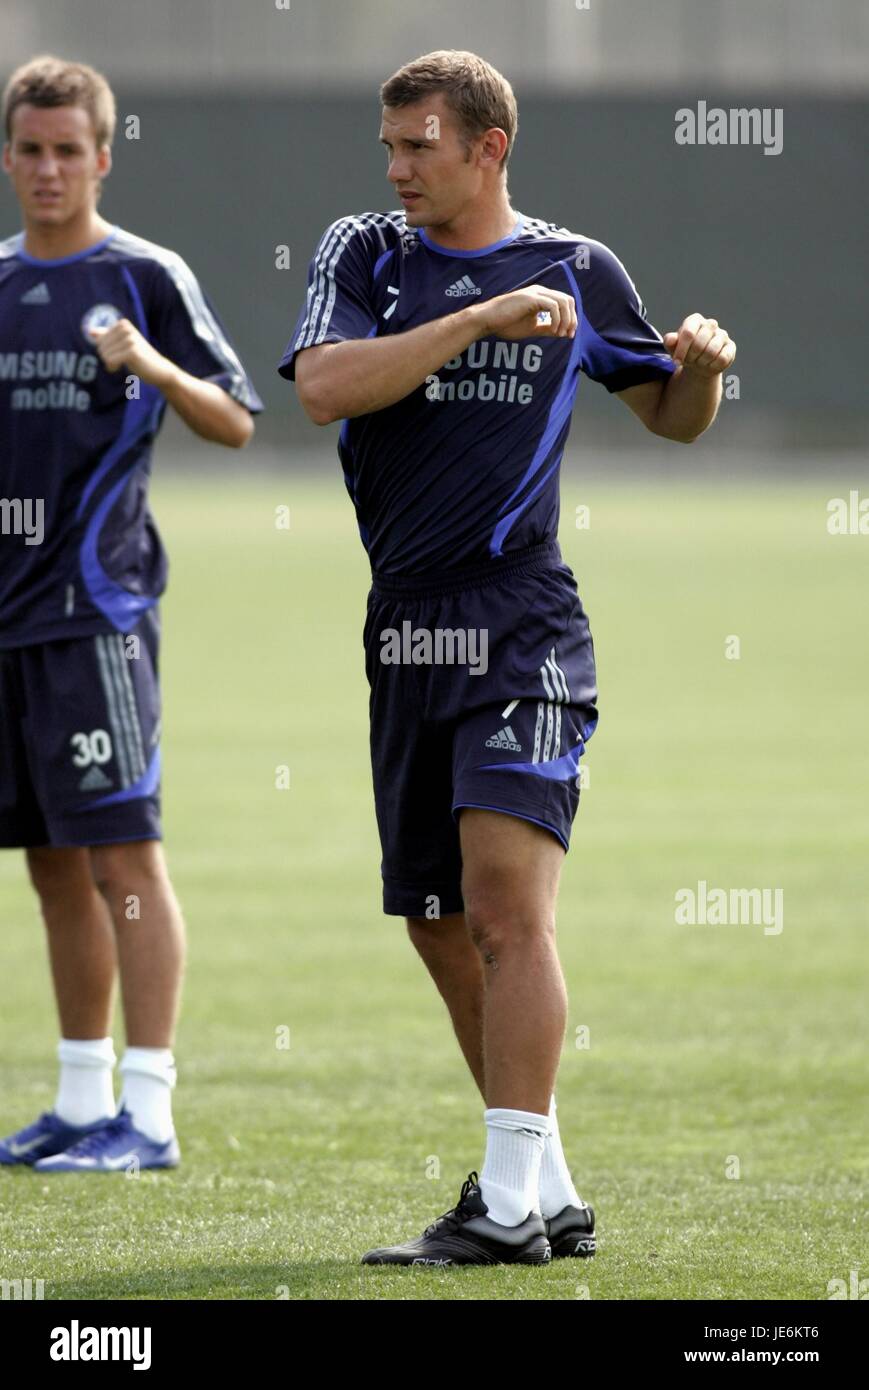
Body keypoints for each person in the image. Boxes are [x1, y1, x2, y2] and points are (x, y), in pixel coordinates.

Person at [279, 49, 735, 1264]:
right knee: (435, 919)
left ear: (488, 147)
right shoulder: (364, 253)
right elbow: (324, 386)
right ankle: (547, 1185)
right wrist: (477, 315)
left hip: (523, 618)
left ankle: (501, 1201)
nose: (395, 167)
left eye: (417, 144)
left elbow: (669, 415)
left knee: (503, 907)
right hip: (404, 623)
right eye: (387, 145)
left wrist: (703, 373)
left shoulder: (577, 270)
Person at [0, 54, 262, 1173]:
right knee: (51, 862)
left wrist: (146, 362)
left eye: (70, 150)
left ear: (104, 156)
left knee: (123, 858)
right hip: (6, 623)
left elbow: (237, 420)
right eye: (31, 149)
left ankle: (147, 1114)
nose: (50, 168)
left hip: (94, 615)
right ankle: (78, 1097)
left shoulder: (146, 275)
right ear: (9, 157)